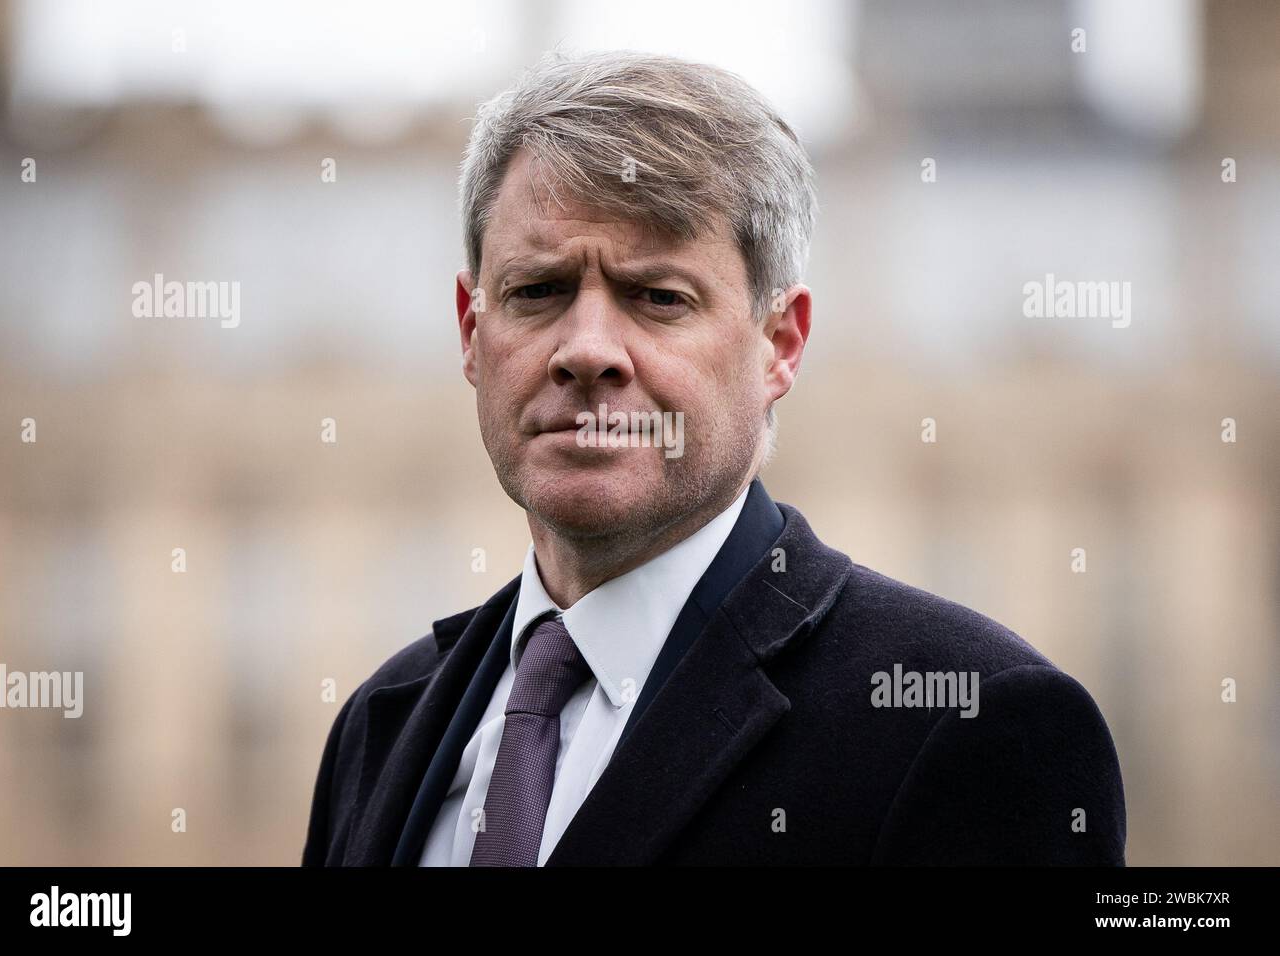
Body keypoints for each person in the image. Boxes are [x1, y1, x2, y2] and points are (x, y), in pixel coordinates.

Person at [302, 49, 1126, 866]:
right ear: (472, 329)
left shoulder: (972, 728)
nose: (587, 351)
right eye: (538, 292)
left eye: (659, 298)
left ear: (779, 345)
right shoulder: (379, 729)